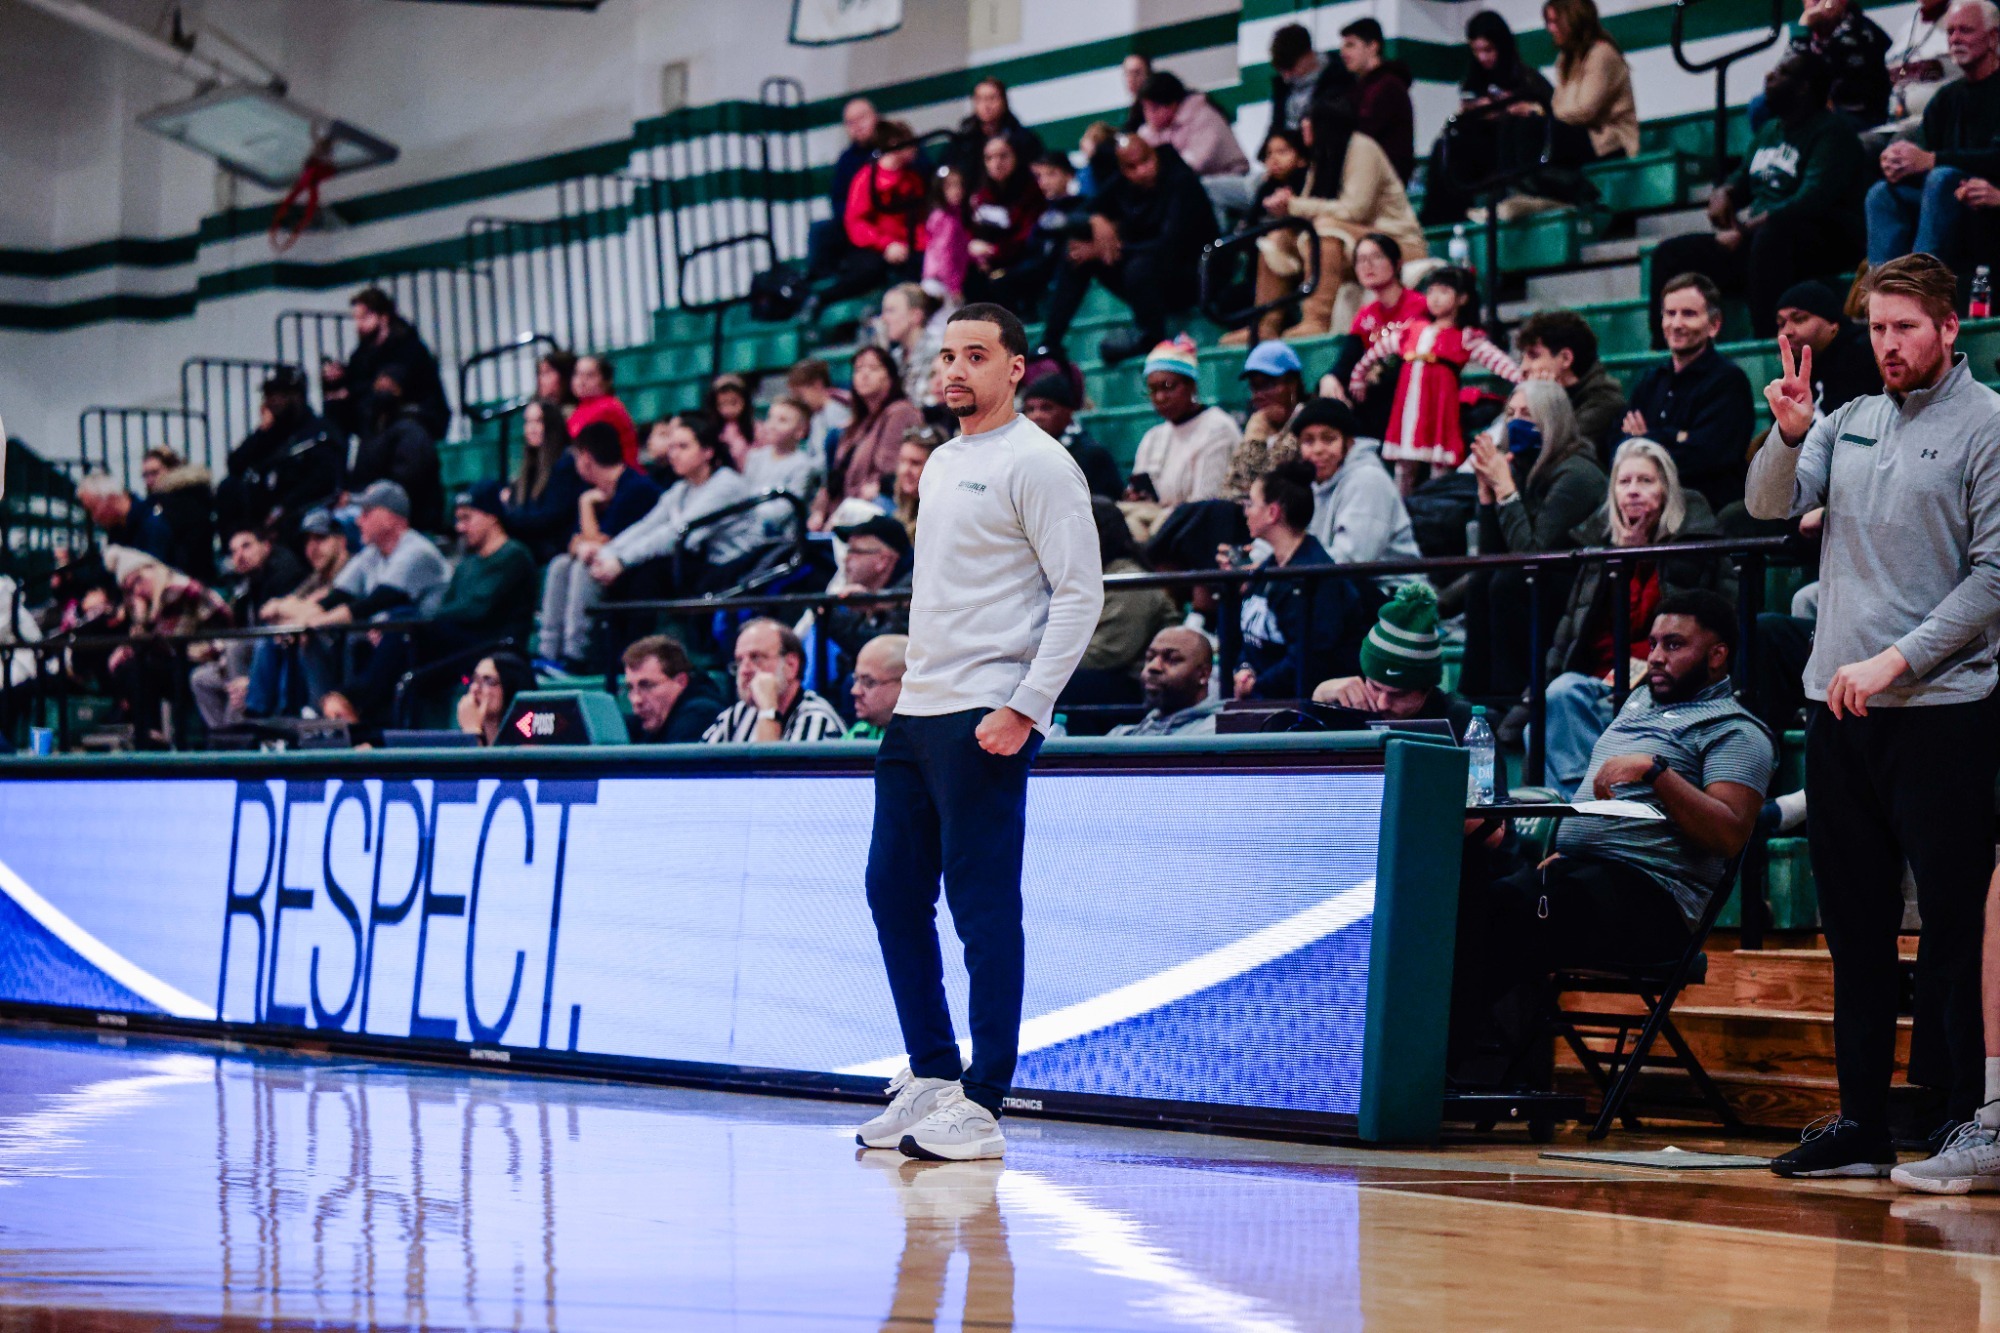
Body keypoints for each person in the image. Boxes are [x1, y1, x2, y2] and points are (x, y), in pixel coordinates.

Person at [1750, 254, 2000, 1178]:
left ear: (1948, 328)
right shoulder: (1846, 418)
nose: (1886, 345)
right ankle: (1859, 1120)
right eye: (1876, 329)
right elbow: (1769, 507)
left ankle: (1963, 1115)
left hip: (1942, 709)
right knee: (1852, 929)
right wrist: (1785, 435)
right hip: (1838, 708)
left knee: (1951, 923)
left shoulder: (1989, 424)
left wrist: (1900, 658)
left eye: (1904, 328)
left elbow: (1997, 576)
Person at [855, 302, 1102, 1163]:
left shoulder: (1040, 463)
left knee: (983, 908)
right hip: (918, 711)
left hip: (987, 712)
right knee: (891, 891)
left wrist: (1026, 705)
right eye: (947, 355)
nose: (954, 370)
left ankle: (986, 1095)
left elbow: (1081, 594)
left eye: (976, 355)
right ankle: (931, 1073)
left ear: (1015, 368)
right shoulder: (944, 463)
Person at [1454, 592, 1772, 1068]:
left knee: (1503, 916)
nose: (1657, 656)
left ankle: (1451, 1068)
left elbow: (1729, 834)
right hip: (1586, 881)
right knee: (1464, 903)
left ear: (1717, 655)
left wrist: (1656, 772)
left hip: (1655, 906)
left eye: (1675, 645)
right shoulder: (1638, 706)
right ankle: (1458, 1069)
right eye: (1655, 643)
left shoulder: (1738, 732)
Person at [1542, 439, 1729, 797]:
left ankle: (1582, 807)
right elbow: (1571, 633)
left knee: (1563, 699)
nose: (1633, 492)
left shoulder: (1693, 546)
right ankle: (1582, 807)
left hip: (1659, 683)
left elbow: (1657, 623)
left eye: (1645, 481)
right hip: (1597, 685)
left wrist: (1637, 558)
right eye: (1624, 483)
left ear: (1667, 490)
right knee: (1546, 711)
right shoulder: (1599, 552)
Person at [1650, 54, 1868, 341]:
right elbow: (1742, 180)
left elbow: (1811, 200)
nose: (1769, 76)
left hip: (1820, 242)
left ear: (1803, 87)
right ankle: (1664, 350)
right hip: (1761, 240)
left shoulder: (1833, 133)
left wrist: (1744, 230)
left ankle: (1768, 341)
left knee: (1772, 237)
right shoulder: (1769, 131)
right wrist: (1723, 193)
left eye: (1781, 72)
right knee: (1669, 255)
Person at [1464, 381, 1609, 697]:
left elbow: (1531, 554)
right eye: (1511, 413)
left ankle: (1511, 696)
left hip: (1584, 588)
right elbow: (1493, 554)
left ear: (1552, 420)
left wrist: (1505, 490)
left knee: (1509, 582)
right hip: (1543, 580)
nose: (1516, 422)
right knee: (1481, 581)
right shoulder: (1524, 468)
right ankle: (1478, 698)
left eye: (1528, 414)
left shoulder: (1577, 474)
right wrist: (1486, 494)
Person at [1252, 100, 1427, 341]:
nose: (1302, 129)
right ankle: (1265, 325)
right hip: (1353, 244)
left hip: (1396, 243)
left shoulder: (1361, 148)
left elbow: (1355, 210)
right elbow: (1310, 208)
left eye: (1307, 122)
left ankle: (1316, 319)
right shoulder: (1322, 157)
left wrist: (1294, 204)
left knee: (1325, 231)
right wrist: (1285, 206)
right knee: (1277, 238)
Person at [1036, 135, 1217, 366]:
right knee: (1077, 254)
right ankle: (1051, 342)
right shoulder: (1122, 184)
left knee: (1138, 266)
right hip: (1150, 274)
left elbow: (1172, 244)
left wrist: (1108, 248)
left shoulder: (1180, 181)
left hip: (1195, 274)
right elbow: (1077, 215)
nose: (1142, 170)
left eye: (1146, 162)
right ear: (1122, 169)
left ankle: (1152, 337)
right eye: (1132, 167)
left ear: (1154, 155)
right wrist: (1095, 219)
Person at [1352, 266, 1522, 490]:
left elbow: (1498, 361)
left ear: (1462, 298)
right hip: (1408, 405)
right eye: (1431, 291)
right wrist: (1358, 376)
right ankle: (1402, 507)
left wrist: (1522, 381)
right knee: (1404, 464)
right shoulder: (1410, 330)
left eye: (1443, 291)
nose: (1435, 298)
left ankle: (1436, 502)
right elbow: (1375, 352)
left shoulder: (1466, 337)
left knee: (1439, 464)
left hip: (1439, 405)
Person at [1866, 0, 2000, 272]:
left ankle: (1922, 287)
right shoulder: (1946, 98)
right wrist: (1900, 166)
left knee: (1941, 177)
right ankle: (1882, 292)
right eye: (1950, 32)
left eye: (1965, 31)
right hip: (1948, 202)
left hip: (1989, 197)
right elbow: (1925, 157)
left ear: (1993, 37)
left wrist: (1931, 160)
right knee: (1881, 194)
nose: (1955, 39)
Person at [1228, 460, 1365, 700]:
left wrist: (1257, 685)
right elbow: (1250, 642)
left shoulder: (1318, 578)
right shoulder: (1268, 569)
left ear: (1272, 512)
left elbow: (1309, 660)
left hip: (1300, 710)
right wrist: (1245, 669)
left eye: (1251, 503)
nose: (1245, 511)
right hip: (1265, 699)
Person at [594, 411, 759, 606]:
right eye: (671, 447)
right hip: (703, 561)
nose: (674, 454)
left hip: (734, 566)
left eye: (683, 447)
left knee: (648, 573)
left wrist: (622, 560)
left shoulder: (726, 485)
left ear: (708, 451)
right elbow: (648, 525)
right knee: (627, 571)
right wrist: (609, 553)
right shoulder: (682, 488)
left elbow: (679, 533)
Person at [1622, 273, 1757, 511]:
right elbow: (1619, 442)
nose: (1676, 324)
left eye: (1689, 314)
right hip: (1646, 503)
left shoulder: (1729, 381)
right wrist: (1675, 437)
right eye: (1670, 314)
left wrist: (1648, 438)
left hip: (1702, 508)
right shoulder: (1649, 381)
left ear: (1714, 325)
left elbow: (1707, 457)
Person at [536, 423, 661, 667]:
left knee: (584, 567)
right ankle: (549, 652)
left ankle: (578, 653)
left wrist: (585, 507)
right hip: (608, 565)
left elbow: (600, 548)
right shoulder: (593, 492)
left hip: (635, 572)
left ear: (585, 458)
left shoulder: (637, 489)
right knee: (561, 564)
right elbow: (574, 544)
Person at [1420, 11, 1556, 226]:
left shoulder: (1528, 78)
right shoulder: (1472, 80)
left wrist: (1507, 109)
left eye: (1488, 50)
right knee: (1444, 146)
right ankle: (1441, 218)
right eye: (1476, 51)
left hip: (1510, 147)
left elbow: (1545, 111)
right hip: (1480, 149)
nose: (1482, 57)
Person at [1312, 582, 1474, 735]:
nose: (1382, 704)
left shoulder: (1463, 724)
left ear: (1427, 689)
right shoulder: (1349, 705)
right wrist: (1319, 700)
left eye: (1398, 695)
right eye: (1375, 688)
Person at [189, 527, 309, 730]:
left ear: (266, 546)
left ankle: (241, 728)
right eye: (234, 551)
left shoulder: (284, 574)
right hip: (249, 656)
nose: (240, 555)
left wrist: (248, 679)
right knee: (201, 679)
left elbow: (276, 631)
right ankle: (223, 736)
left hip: (276, 653)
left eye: (246, 546)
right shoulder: (244, 587)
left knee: (235, 648)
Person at [240, 510, 355, 718]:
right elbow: (270, 610)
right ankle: (261, 718)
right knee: (275, 636)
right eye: (308, 541)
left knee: (296, 638)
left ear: (341, 541)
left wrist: (290, 610)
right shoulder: (316, 577)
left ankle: (280, 717)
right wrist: (291, 610)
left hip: (342, 647)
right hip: (316, 642)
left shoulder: (351, 571)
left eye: (320, 538)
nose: (312, 547)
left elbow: (315, 608)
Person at [1067, 497, 1179, 710]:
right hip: (1098, 674)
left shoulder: (1129, 580)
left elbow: (1108, 654)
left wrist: (1038, 664)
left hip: (1135, 684)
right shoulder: (1085, 577)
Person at [216, 366, 343, 547]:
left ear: (297, 396)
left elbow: (322, 481)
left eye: (279, 394)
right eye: (268, 394)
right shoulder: (269, 435)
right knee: (228, 487)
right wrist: (260, 433)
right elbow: (235, 465)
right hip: (262, 518)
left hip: (297, 513)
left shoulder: (320, 432)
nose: (271, 401)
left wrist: (283, 508)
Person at [1293, 397, 1420, 568]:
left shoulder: (1368, 480)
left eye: (1329, 439)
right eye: (1308, 441)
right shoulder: (1310, 482)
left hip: (1392, 590)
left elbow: (1353, 561)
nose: (1318, 449)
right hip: (1340, 587)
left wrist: (1290, 562)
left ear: (1349, 442)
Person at [320, 286, 450, 444]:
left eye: (364, 317)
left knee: (378, 401)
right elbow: (358, 379)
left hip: (419, 413)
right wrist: (337, 379)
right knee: (336, 406)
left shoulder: (408, 346)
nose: (358, 325)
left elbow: (389, 385)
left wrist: (350, 391)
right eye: (357, 318)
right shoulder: (362, 352)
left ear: (383, 317)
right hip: (385, 414)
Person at [816, 346, 923, 527]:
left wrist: (839, 516)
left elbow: (887, 470)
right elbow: (835, 478)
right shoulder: (858, 423)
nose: (864, 375)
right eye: (858, 370)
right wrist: (820, 512)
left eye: (873, 368)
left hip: (878, 503)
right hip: (847, 505)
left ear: (889, 376)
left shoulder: (900, 412)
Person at [1128, 336, 1237, 508]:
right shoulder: (1153, 437)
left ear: (1191, 385)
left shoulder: (1217, 428)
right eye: (1153, 390)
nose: (1160, 397)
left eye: (1168, 386)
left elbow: (1203, 507)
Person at [830, 120, 930, 302]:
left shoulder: (912, 179)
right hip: (876, 247)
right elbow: (856, 222)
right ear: (894, 144)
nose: (915, 148)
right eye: (909, 143)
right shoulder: (867, 178)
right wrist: (887, 245)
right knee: (867, 270)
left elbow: (921, 219)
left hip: (910, 246)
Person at [703, 617, 847, 743]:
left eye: (756, 658)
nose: (744, 670)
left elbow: (768, 772)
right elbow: (695, 771)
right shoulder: (738, 715)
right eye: (739, 661)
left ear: (791, 666)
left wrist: (768, 710)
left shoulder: (817, 719)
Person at [1544, 0, 1640, 167]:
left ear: (1573, 20)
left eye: (1555, 22)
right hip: (1584, 137)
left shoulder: (1601, 54)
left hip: (1611, 142)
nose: (1550, 29)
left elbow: (1585, 110)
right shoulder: (1565, 59)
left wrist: (1547, 116)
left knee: (1553, 132)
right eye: (1548, 22)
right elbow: (1559, 104)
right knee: (1525, 124)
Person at [1514, 309, 1628, 450]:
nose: (1523, 368)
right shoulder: (1525, 399)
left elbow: (1556, 452)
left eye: (1533, 356)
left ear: (1566, 358)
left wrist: (1547, 402)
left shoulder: (1605, 403)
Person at [348, 369, 444, 533]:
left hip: (412, 518)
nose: (382, 391)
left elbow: (406, 486)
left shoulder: (412, 430)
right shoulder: (373, 431)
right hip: (374, 503)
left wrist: (362, 499)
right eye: (379, 386)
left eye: (390, 386)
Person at [965, 133, 1049, 311]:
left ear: (1016, 156)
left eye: (1003, 155)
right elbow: (973, 235)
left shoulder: (1033, 191)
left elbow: (1028, 237)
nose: (996, 163)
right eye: (989, 158)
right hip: (993, 262)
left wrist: (994, 251)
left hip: (1027, 259)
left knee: (1004, 281)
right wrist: (978, 254)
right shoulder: (980, 197)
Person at [1774, 279, 1884, 414]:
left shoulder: (1864, 358)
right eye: (1781, 324)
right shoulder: (1790, 378)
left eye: (1799, 319)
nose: (1787, 332)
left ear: (1833, 324)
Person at [1782, 0, 1894, 130]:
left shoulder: (1859, 31)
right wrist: (1803, 30)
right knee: (1761, 107)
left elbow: (1834, 85)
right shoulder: (1807, 32)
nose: (1814, 2)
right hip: (1821, 113)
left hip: (1859, 117)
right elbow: (1785, 76)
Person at [502, 397, 585, 562]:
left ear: (552, 425)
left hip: (554, 549)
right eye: (527, 422)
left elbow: (549, 518)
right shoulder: (530, 467)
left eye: (538, 422)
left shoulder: (565, 463)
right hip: (534, 546)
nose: (531, 429)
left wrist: (506, 516)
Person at [808, 97, 882, 281]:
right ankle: (820, 286)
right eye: (850, 122)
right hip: (856, 224)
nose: (857, 126)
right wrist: (855, 220)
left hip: (890, 223)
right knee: (821, 231)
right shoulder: (847, 159)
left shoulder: (897, 148)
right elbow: (838, 199)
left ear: (876, 117)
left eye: (862, 118)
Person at [1223, 340, 1308, 500]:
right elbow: (1231, 490)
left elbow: (1272, 488)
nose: (1258, 396)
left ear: (1292, 384)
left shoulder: (1308, 420)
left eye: (1268, 385)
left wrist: (1255, 441)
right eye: (1254, 387)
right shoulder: (1259, 425)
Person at [823, 513, 912, 663]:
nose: (846, 559)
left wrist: (830, 614)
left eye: (855, 551)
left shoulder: (913, 593)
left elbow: (879, 653)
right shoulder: (868, 595)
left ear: (882, 560)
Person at [1335, 18, 1416, 182]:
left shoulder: (1386, 87)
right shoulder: (1365, 87)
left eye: (1350, 45)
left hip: (1379, 183)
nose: (1343, 53)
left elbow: (1364, 133)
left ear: (1373, 46)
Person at [1020, 374, 1121, 500]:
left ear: (1068, 411)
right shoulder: (1021, 454)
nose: (1036, 416)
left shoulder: (1091, 454)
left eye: (1046, 408)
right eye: (1030, 410)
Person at [1136, 70, 1250, 179]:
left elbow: (1195, 163)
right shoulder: (1151, 130)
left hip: (1230, 177)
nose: (1148, 115)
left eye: (1154, 109)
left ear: (1173, 104)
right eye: (1145, 109)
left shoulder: (1204, 117)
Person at [1107, 627, 1221, 737]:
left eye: (1172, 659)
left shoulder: (1217, 734)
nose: (1153, 666)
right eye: (1150, 657)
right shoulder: (1122, 735)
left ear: (1203, 674)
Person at [622, 634, 725, 744]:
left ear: (681, 681)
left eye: (647, 686)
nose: (636, 700)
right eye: (630, 688)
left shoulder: (700, 715)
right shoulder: (648, 722)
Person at [137, 446, 216, 583]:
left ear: (171, 470)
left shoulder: (175, 502)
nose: (149, 480)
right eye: (145, 475)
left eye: (154, 473)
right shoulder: (195, 494)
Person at [944, 78, 1045, 182]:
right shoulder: (962, 143)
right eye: (980, 99)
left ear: (1004, 101)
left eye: (992, 98)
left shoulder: (1024, 140)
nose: (986, 106)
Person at [1268, 22, 1351, 135]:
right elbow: (1274, 130)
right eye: (1282, 71)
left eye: (1291, 68)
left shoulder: (1340, 78)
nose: (1287, 77)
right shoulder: (1283, 89)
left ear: (1308, 55)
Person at [876, 283, 944, 408]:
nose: (883, 319)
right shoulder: (896, 357)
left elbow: (923, 403)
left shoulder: (939, 350)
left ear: (915, 316)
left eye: (890, 311)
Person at [567, 354, 639, 470]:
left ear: (606, 381)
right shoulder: (581, 407)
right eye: (578, 374)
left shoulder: (608, 408)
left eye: (590, 376)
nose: (581, 381)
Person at [455, 652, 537, 746]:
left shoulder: (528, 744)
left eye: (488, 681)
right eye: (474, 680)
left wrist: (472, 732)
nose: (475, 689)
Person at [787, 358, 852, 469]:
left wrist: (802, 467)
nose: (800, 401)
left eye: (801, 395)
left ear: (817, 384)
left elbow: (836, 455)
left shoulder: (835, 409)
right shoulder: (817, 415)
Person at [847, 633, 907, 739]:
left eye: (869, 682)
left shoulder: (932, 740)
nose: (855, 691)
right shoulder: (859, 732)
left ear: (906, 685)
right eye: (855, 679)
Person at [707, 374, 757, 468]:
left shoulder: (757, 429)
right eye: (722, 404)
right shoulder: (713, 432)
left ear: (745, 401)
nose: (728, 409)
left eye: (734, 403)